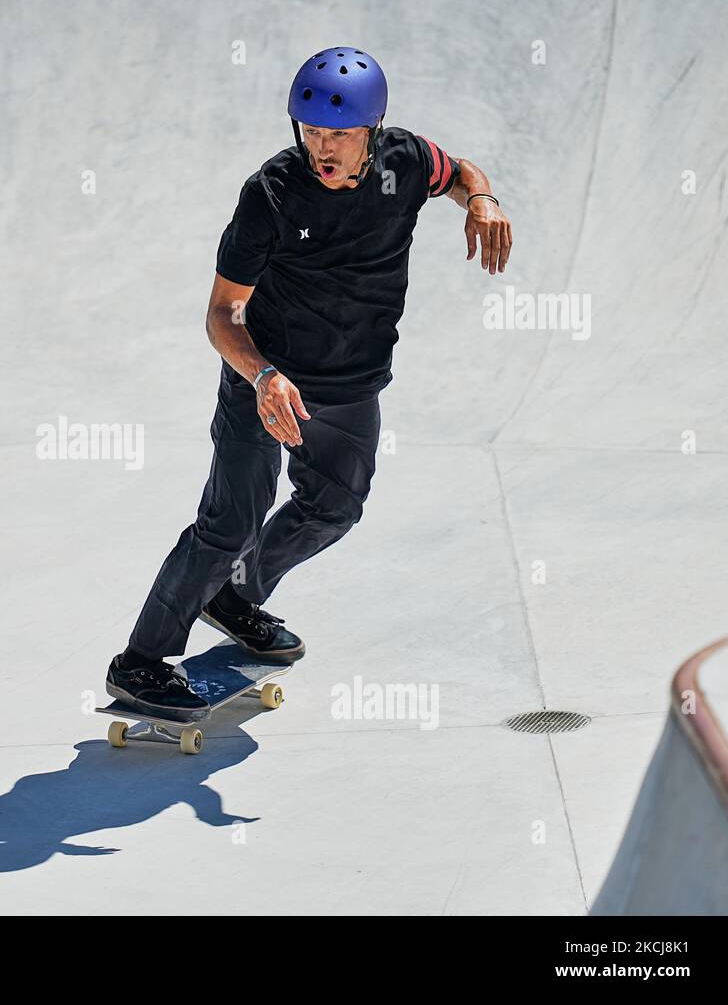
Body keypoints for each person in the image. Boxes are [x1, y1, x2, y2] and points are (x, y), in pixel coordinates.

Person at [106, 47, 513, 721]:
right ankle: (141, 661)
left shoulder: (406, 163)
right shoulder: (271, 193)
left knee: (335, 507)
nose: (321, 148)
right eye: (310, 131)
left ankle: (232, 596)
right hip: (264, 378)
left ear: (373, 132)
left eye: (339, 135)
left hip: (353, 382)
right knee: (230, 520)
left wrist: (484, 198)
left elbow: (460, 171)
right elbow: (220, 313)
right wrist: (262, 376)